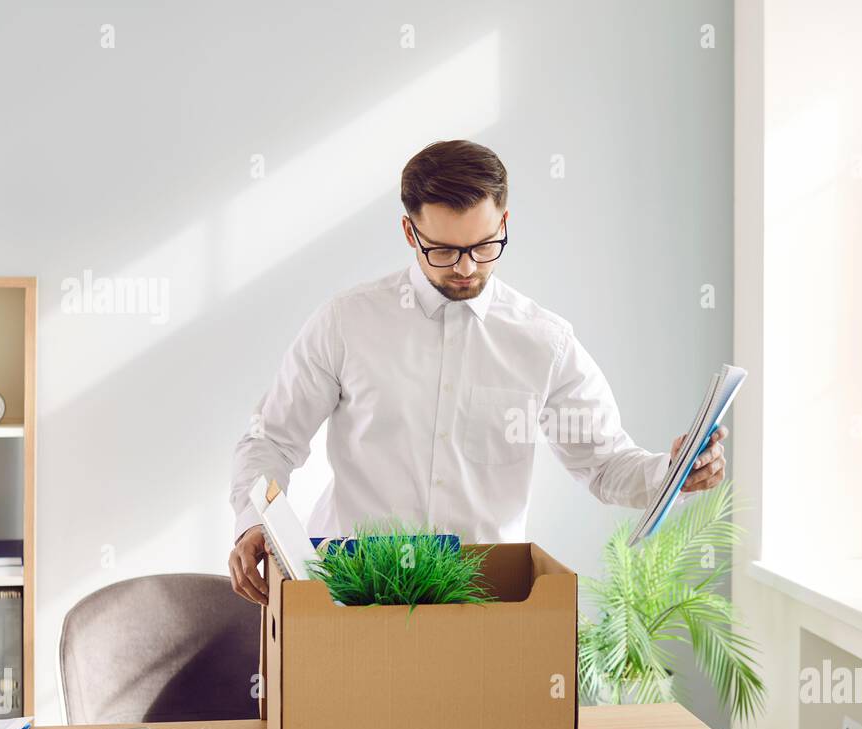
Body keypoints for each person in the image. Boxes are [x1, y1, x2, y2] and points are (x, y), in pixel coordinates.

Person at [228, 140, 726, 605]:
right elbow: (271, 439)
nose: (465, 268)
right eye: (443, 251)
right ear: (410, 232)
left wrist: (673, 474)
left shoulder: (543, 342)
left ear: (503, 223)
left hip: (479, 600)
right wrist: (255, 523)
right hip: (353, 595)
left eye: (484, 247)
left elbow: (604, 463)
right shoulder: (346, 323)